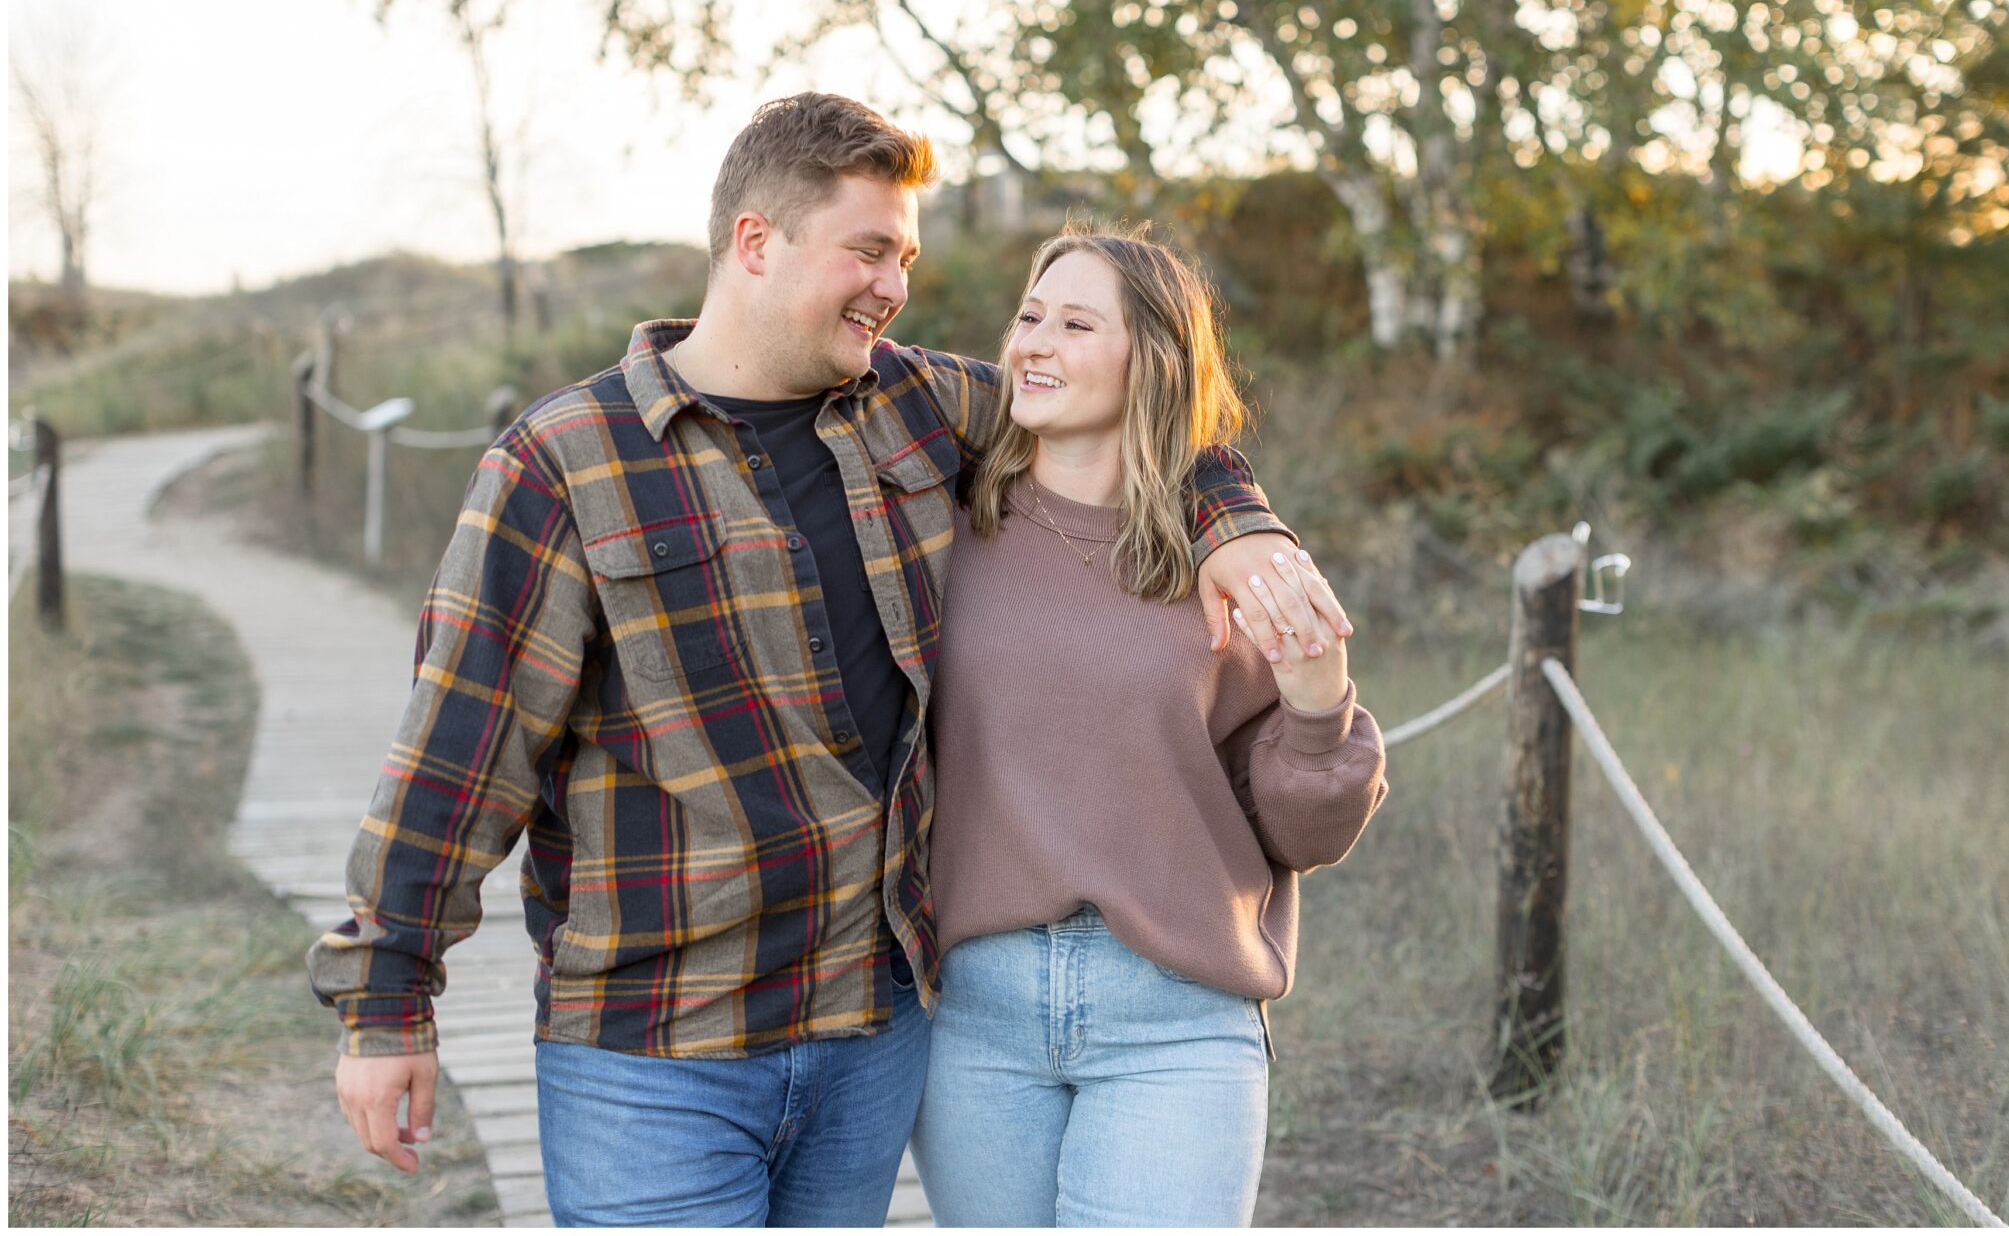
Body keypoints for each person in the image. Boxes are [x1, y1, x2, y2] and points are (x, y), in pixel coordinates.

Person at [306, 92, 1352, 1227]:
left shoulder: (913, 405)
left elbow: (1135, 414)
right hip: (659, 1047)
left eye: (902, 255)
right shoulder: (565, 463)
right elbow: (460, 758)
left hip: (872, 1030)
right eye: (867, 249)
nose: (894, 285)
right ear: (756, 242)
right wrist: (387, 1007)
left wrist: (1239, 522)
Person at [908, 226, 1389, 1227]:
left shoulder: (1232, 571)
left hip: (1175, 1013)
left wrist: (1315, 698)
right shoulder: (939, 534)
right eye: (1029, 317)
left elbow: (1305, 835)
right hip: (975, 1020)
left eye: (1076, 324)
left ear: (1154, 361)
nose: (1034, 343)